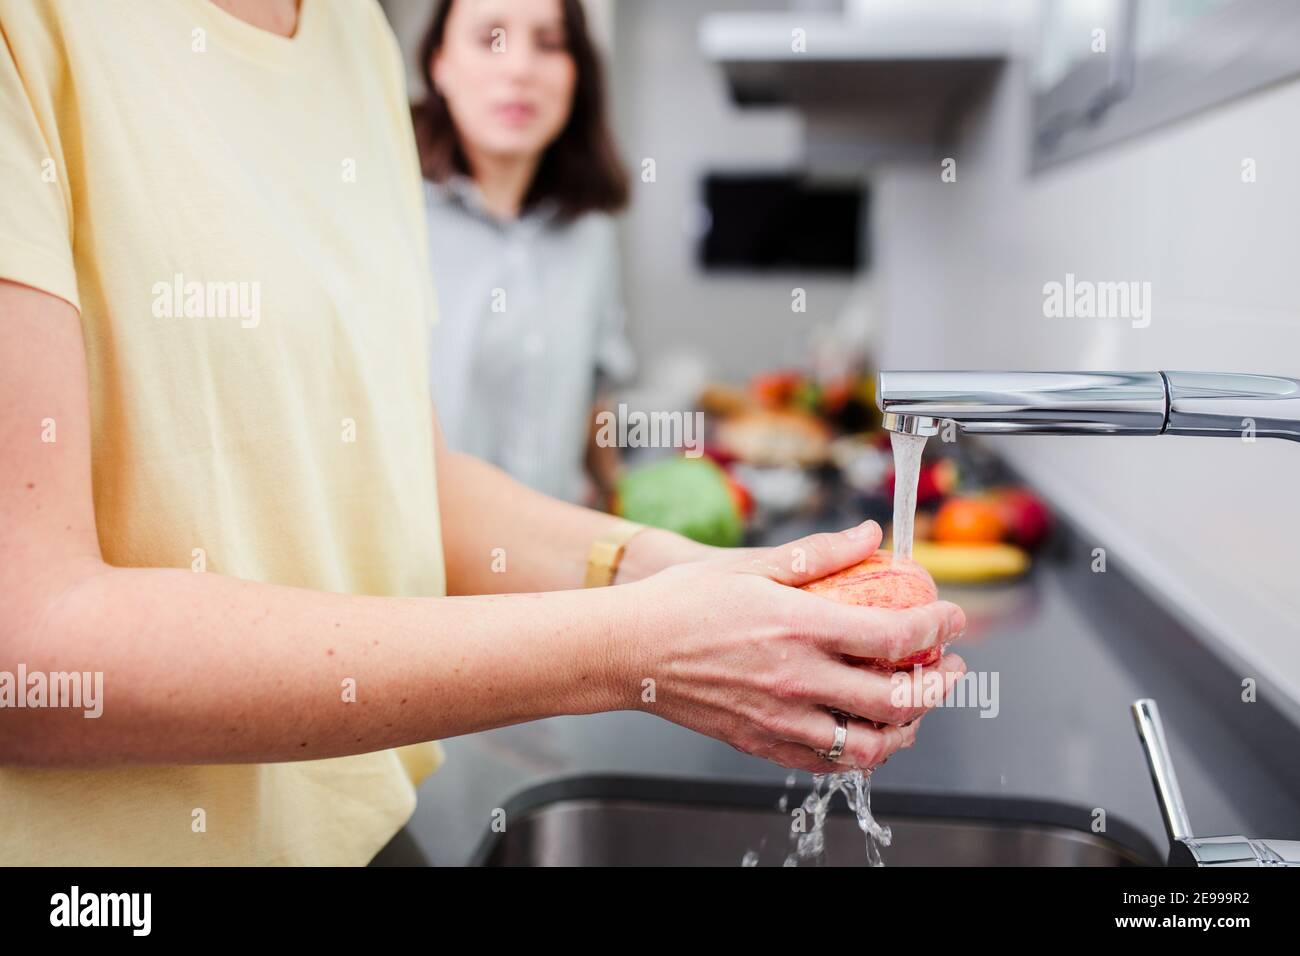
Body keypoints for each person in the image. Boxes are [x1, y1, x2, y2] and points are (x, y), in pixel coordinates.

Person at [0, 0, 966, 866]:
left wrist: (678, 580)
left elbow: (402, 475)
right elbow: (25, 651)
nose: (517, 65)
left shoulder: (357, 42)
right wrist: (632, 647)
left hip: (371, 827)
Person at [413, 0, 630, 503]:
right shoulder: (384, 209)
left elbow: (592, 402)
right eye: (491, 38)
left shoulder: (591, 231)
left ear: (577, 72)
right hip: (417, 574)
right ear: (439, 62)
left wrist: (623, 505)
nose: (520, 68)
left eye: (550, 44)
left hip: (555, 568)